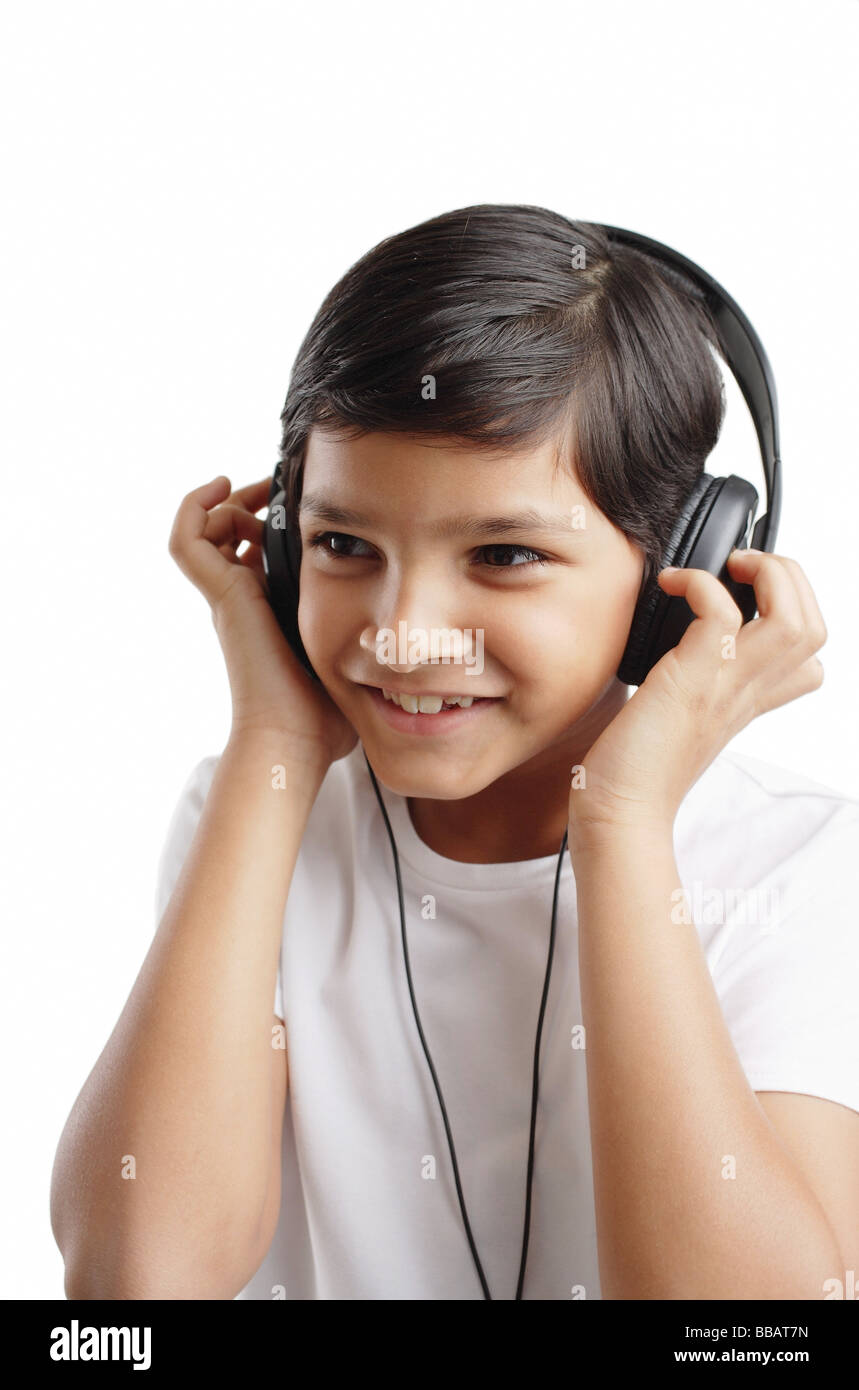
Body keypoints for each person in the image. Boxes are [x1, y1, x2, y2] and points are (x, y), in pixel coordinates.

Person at [51, 205, 859, 1300]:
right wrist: (274, 743)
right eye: (343, 543)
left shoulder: (798, 866)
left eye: (504, 552)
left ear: (686, 568)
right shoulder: (256, 813)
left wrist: (619, 825)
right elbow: (138, 1283)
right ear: (283, 550)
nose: (401, 630)